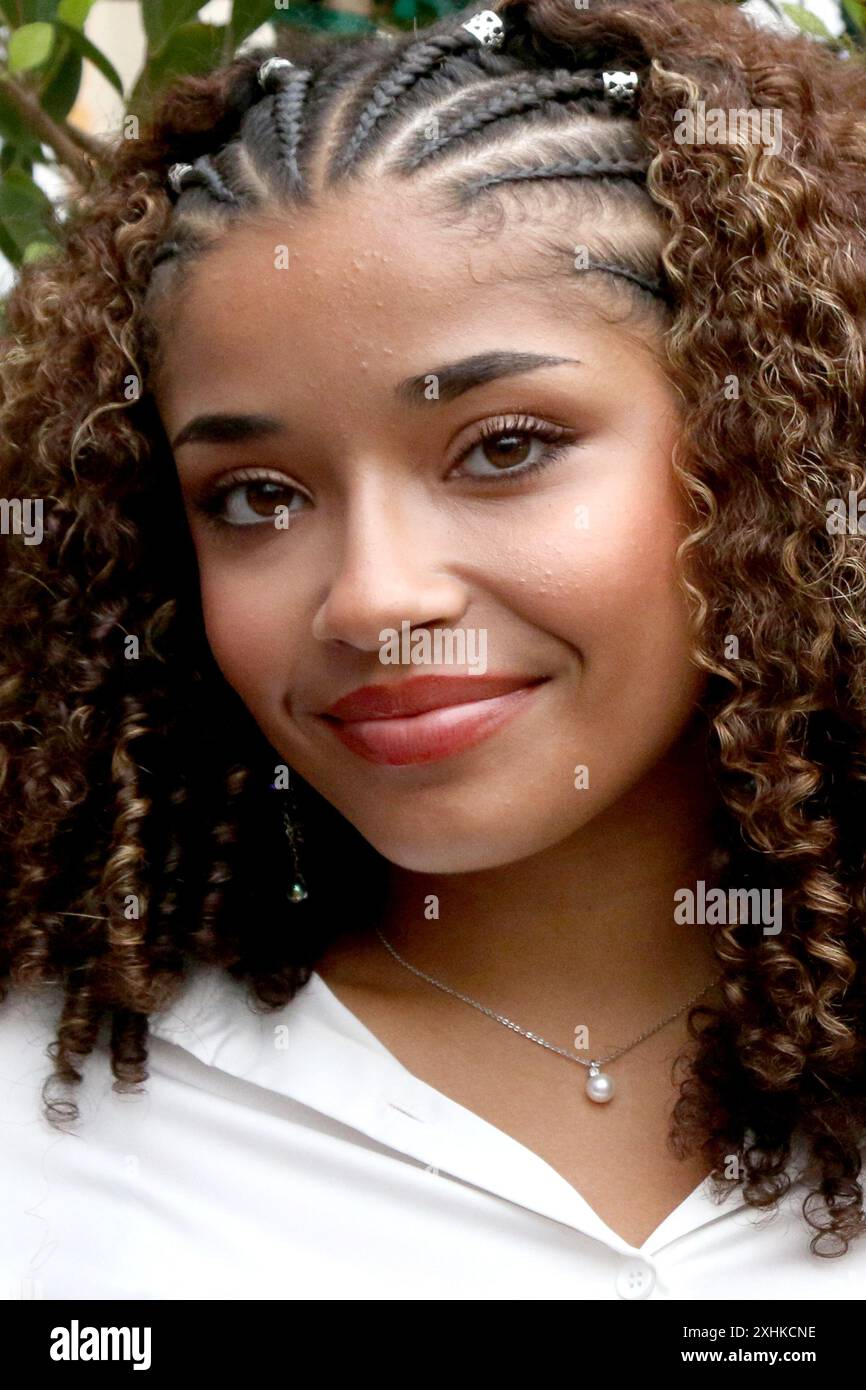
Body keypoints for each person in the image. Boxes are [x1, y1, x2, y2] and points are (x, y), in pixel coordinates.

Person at [2, 0, 866, 1300]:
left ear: (762, 459)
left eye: (503, 447)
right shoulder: (45, 1131)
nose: (368, 597)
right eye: (255, 496)